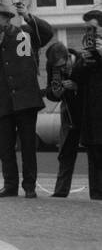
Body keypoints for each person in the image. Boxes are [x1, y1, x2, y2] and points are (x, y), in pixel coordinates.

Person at [0, 0, 54, 198]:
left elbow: (47, 33)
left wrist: (27, 15)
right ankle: (10, 185)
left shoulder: (24, 33)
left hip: (26, 99)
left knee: (28, 146)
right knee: (5, 148)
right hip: (4, 101)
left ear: (8, 20)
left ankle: (29, 186)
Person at [69, 9, 102, 200]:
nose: (89, 33)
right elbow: (75, 79)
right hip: (91, 115)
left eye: (93, 29)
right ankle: (96, 196)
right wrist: (83, 60)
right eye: (86, 30)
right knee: (94, 158)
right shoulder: (87, 52)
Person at [44, 41, 80, 198]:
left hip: (88, 113)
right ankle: (60, 193)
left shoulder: (82, 62)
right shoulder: (52, 66)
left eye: (62, 66)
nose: (60, 70)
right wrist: (54, 92)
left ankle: (97, 193)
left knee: (96, 153)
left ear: (68, 57)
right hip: (68, 115)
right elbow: (50, 93)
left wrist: (76, 86)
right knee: (65, 153)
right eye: (56, 68)